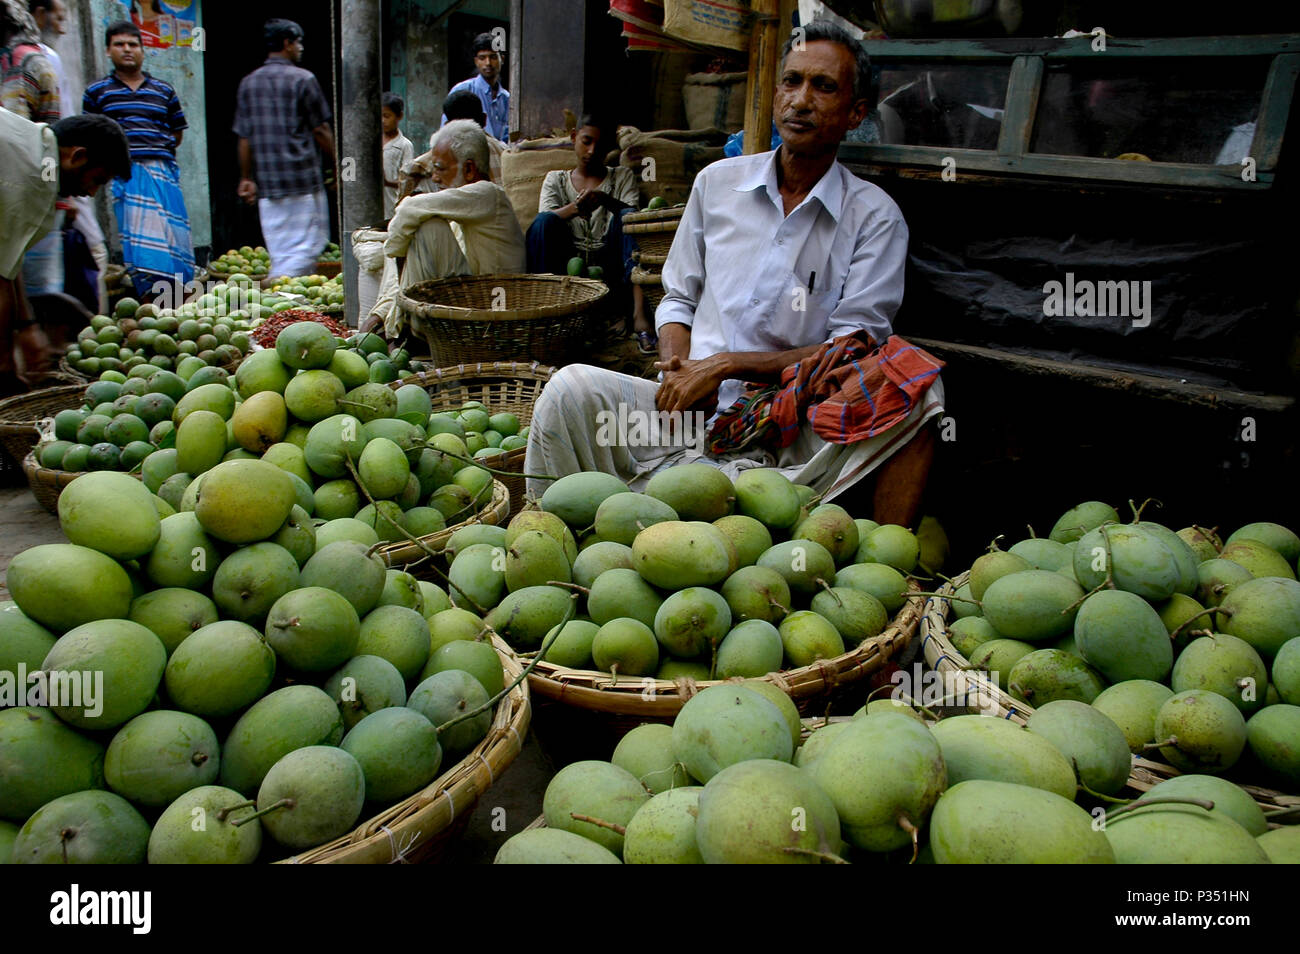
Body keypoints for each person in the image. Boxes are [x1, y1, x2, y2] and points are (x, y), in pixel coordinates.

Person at [524, 21, 945, 526]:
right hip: (687, 416)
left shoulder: (874, 216)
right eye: (792, 81)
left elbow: (849, 348)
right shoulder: (717, 184)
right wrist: (680, 373)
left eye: (824, 86)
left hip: (789, 427)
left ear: (856, 113)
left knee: (918, 391)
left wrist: (724, 365)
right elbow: (678, 298)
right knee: (570, 390)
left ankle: (889, 568)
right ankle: (552, 533)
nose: (801, 100)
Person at [0, 111, 131, 393]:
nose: (92, 193)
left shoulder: (32, 144)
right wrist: (5, 365)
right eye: (96, 179)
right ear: (77, 156)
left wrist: (27, 325)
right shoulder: (33, 175)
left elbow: (8, 261)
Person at [366, 119, 525, 337]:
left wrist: (394, 253)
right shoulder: (461, 211)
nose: (435, 177)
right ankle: (399, 324)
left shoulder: (490, 195)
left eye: (440, 169)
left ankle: (401, 330)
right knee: (417, 226)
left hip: (490, 317)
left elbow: (408, 209)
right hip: (471, 305)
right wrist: (381, 311)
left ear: (469, 169)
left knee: (427, 227)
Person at [83, 19, 194, 300]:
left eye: (133, 44)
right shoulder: (97, 92)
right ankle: (150, 301)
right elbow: (91, 135)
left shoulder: (163, 91)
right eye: (119, 45)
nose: (127, 49)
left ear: (143, 50)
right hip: (127, 176)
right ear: (108, 50)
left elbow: (176, 132)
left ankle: (179, 300)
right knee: (142, 243)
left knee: (173, 238)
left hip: (163, 173)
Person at [526, 114, 655, 352]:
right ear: (574, 138)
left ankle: (640, 317)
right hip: (568, 268)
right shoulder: (555, 179)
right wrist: (576, 208)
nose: (592, 150)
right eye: (586, 141)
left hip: (612, 268)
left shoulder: (621, 176)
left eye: (600, 145)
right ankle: (546, 314)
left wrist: (606, 200)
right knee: (543, 222)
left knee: (629, 217)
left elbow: (633, 220)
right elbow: (546, 221)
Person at [234, 19, 335, 279]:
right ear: (288, 43)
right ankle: (282, 292)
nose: (301, 48)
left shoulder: (248, 82)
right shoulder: (303, 79)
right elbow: (320, 129)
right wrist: (339, 163)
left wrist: (246, 177)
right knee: (309, 244)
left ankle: (284, 298)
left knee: (281, 249)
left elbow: (244, 136)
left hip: (268, 183)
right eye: (298, 42)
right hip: (301, 179)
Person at [400, 88, 504, 202]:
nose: (435, 178)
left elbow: (410, 170)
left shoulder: (447, 151)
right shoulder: (504, 150)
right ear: (484, 119)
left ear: (448, 125)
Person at [441, 31, 508, 143]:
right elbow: (446, 132)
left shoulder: (508, 99)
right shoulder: (462, 90)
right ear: (476, 61)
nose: (488, 63)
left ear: (502, 59)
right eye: (482, 58)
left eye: (493, 57)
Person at [380, 91, 413, 219]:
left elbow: (409, 182)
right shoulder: (369, 142)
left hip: (392, 208)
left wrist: (387, 182)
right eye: (380, 116)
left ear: (399, 116)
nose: (383, 121)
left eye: (387, 116)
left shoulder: (404, 145)